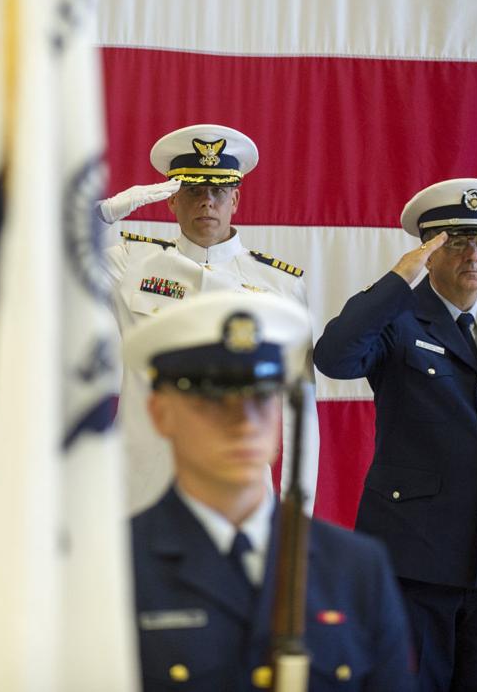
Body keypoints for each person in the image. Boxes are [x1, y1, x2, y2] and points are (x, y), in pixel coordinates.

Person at [313, 178, 477, 691]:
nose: (472, 254)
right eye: (456, 243)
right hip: (413, 561)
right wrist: (397, 280)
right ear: (428, 253)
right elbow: (334, 357)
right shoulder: (396, 321)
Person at [124, 290, 413, 692]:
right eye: (214, 398)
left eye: (260, 396)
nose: (244, 421)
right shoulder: (115, 568)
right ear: (160, 413)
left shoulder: (357, 569)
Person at [99, 125, 317, 513]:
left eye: (218, 191)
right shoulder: (130, 263)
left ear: (236, 199)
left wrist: (295, 513)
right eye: (193, 190)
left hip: (236, 490)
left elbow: (300, 406)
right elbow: (48, 257)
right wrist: (105, 212)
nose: (207, 202)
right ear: (171, 200)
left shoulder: (280, 285)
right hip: (143, 486)